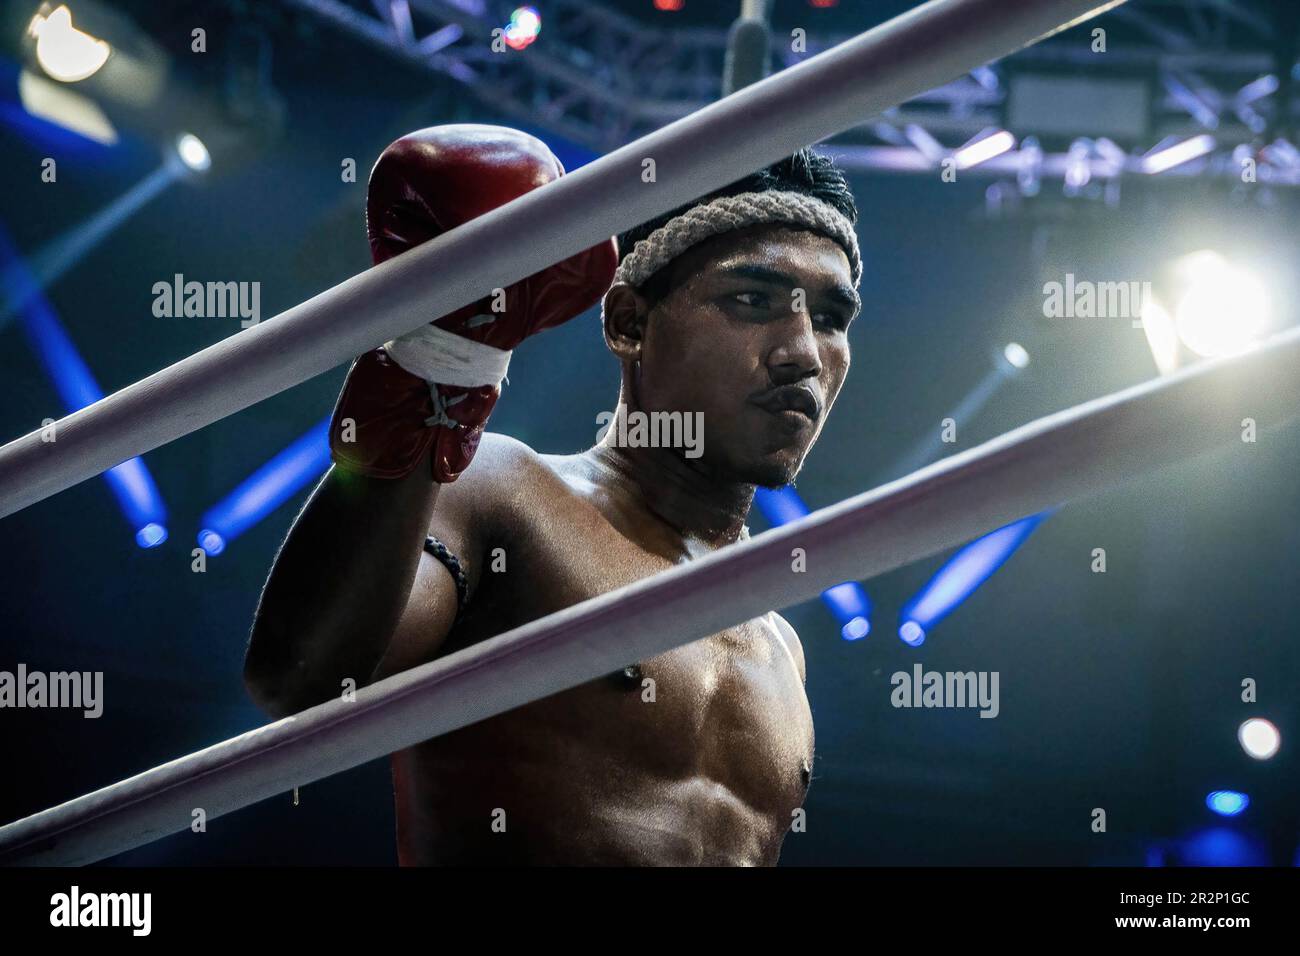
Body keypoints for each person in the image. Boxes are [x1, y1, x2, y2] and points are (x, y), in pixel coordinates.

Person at [244, 123, 862, 865]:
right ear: (629, 322)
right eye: (753, 299)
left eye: (830, 318)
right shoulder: (503, 493)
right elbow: (303, 680)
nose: (802, 351)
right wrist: (441, 359)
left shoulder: (781, 643)